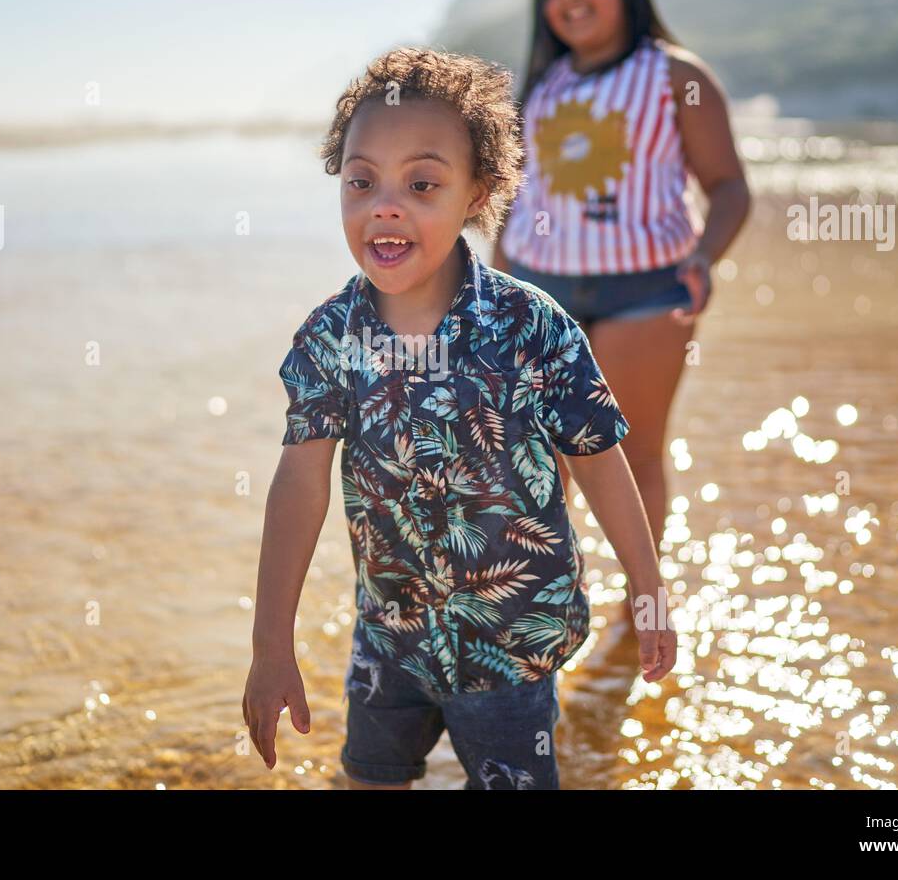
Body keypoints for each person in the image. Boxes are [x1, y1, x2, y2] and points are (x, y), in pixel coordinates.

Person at [242, 46, 677, 790]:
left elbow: (599, 458)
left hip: (512, 646)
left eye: (421, 183)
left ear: (477, 192)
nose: (385, 204)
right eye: (361, 181)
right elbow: (300, 484)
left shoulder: (531, 325)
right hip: (391, 644)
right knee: (370, 778)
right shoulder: (330, 338)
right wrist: (269, 643)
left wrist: (648, 585)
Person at [494, 0, 751, 594]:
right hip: (537, 296)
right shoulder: (541, 87)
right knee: (536, 463)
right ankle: (542, 602)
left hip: (647, 295)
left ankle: (642, 607)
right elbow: (519, 201)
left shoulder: (676, 76)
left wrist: (703, 257)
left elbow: (729, 187)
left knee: (631, 457)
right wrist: (490, 288)